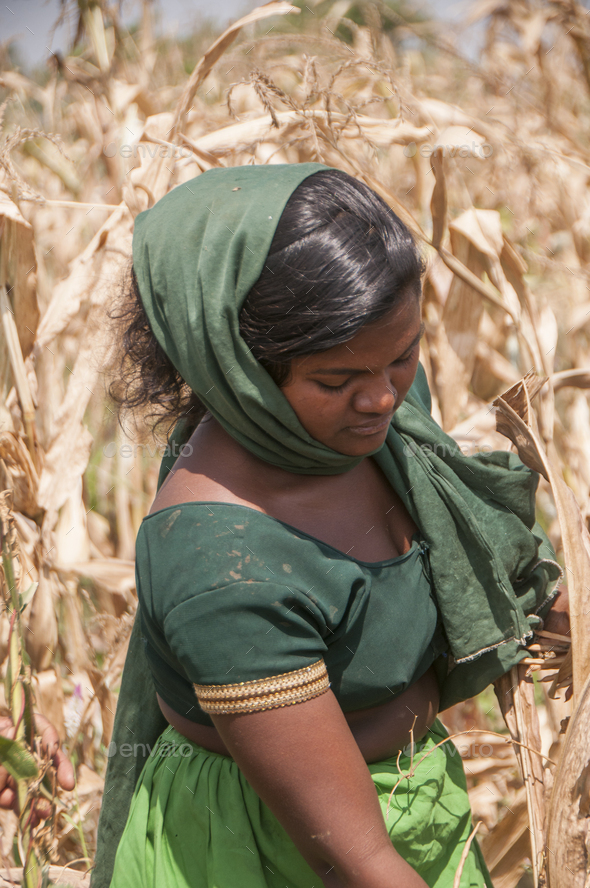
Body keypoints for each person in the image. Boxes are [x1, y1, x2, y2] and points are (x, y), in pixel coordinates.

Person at [89, 163, 565, 887]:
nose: (382, 398)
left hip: (413, 806)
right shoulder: (222, 564)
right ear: (241, 369)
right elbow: (359, 864)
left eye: (404, 356)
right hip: (267, 850)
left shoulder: (362, 412)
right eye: (337, 382)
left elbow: (474, 547)